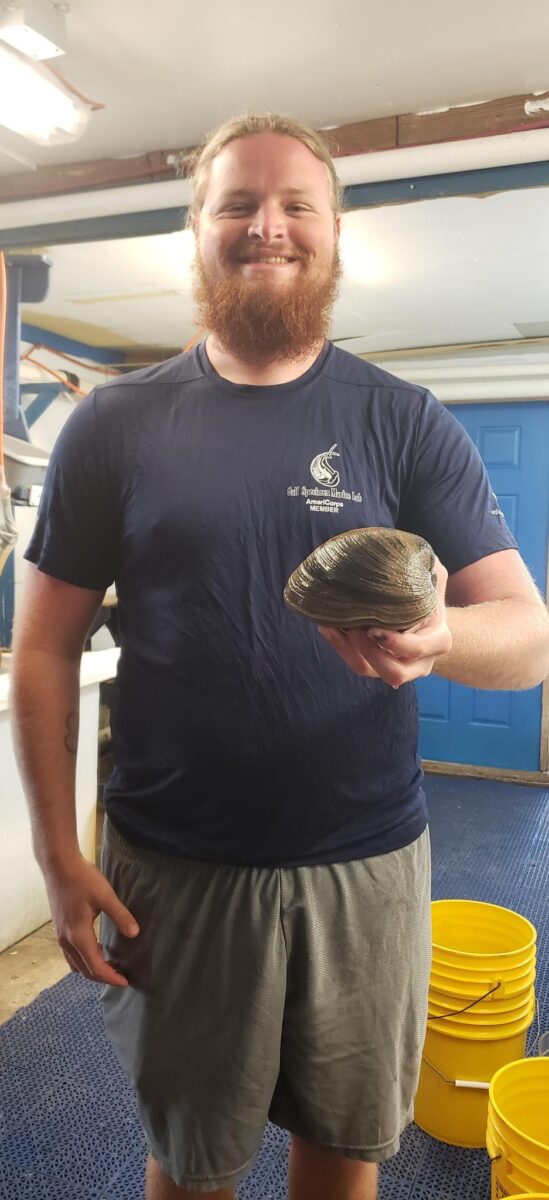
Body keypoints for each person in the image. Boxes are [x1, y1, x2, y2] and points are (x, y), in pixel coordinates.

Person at [10, 112, 549, 1200]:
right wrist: (59, 858)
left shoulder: (403, 422)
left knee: (345, 1150)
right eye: (238, 204)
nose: (269, 226)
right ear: (197, 231)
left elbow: (528, 636)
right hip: (178, 869)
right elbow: (41, 652)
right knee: (193, 1158)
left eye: (298, 203)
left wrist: (440, 638)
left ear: (335, 232)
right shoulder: (112, 424)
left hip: (368, 865)